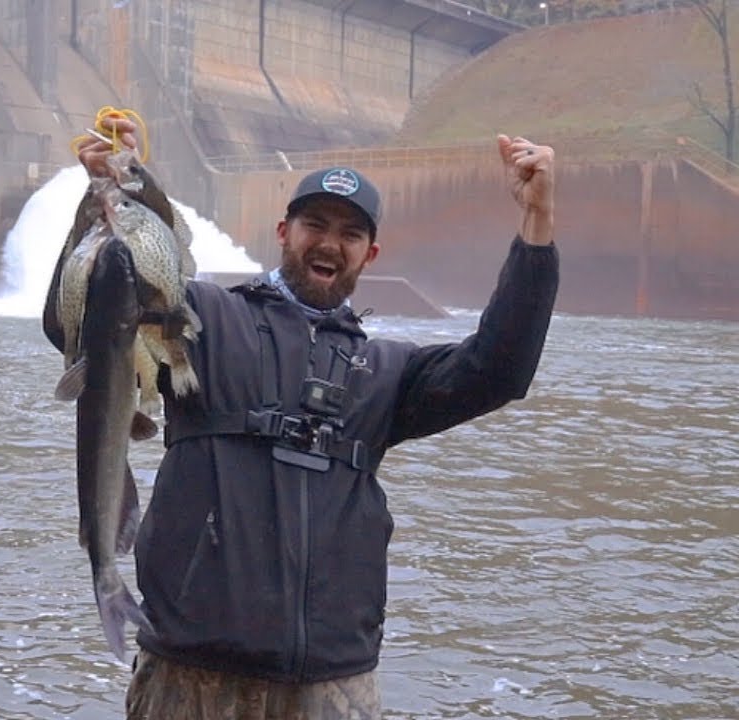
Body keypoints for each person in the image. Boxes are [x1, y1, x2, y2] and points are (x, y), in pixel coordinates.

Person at [65, 117, 559, 720]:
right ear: (284, 231)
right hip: (191, 671)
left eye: (351, 233)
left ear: (369, 254)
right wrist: (110, 197)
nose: (330, 242)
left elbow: (499, 370)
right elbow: (90, 312)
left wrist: (536, 230)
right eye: (315, 224)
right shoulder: (200, 321)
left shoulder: (388, 371)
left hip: (334, 682)